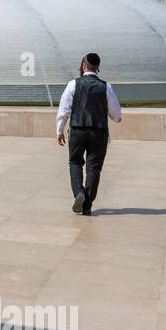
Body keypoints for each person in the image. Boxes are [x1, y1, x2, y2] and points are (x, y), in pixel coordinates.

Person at [55, 53, 123, 216]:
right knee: (94, 168)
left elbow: (64, 109)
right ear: (97, 67)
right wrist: (115, 118)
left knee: (75, 162)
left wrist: (59, 130)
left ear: (83, 65)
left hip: (78, 130)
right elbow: (116, 115)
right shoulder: (106, 86)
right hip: (99, 132)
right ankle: (87, 204)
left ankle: (79, 192)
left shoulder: (73, 84)